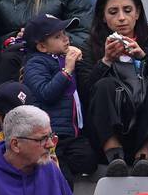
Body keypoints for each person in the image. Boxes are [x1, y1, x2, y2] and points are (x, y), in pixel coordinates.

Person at [77, 0, 148, 176]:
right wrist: (106, 61)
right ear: (103, 17)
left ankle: (144, 156)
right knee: (104, 84)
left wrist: (145, 58)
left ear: (138, 13)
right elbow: (86, 94)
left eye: (127, 10)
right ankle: (114, 154)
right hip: (107, 129)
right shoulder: (89, 47)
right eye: (113, 12)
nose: (122, 18)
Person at [20, 13, 94, 177]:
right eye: (57, 36)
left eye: (65, 34)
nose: (66, 39)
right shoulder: (35, 64)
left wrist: (78, 63)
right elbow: (47, 93)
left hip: (73, 132)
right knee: (61, 176)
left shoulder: (62, 58)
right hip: (52, 134)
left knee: (88, 161)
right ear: (42, 47)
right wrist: (67, 70)